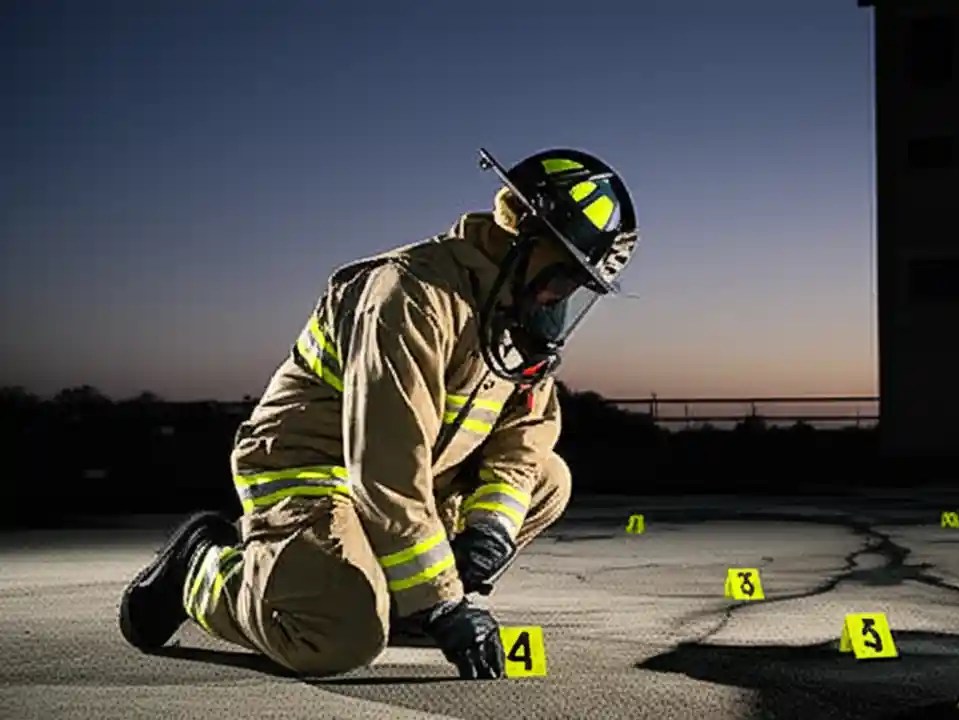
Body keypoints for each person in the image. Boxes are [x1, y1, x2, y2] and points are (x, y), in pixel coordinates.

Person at [118, 147, 640, 679]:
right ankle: (204, 572)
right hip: (315, 470)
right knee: (342, 639)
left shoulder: (515, 317)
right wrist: (443, 603)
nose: (561, 297)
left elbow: (526, 437)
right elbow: (387, 466)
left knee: (549, 479)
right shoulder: (411, 295)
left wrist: (491, 529)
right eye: (563, 275)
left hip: (401, 477)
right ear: (522, 232)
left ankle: (397, 598)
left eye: (577, 286)